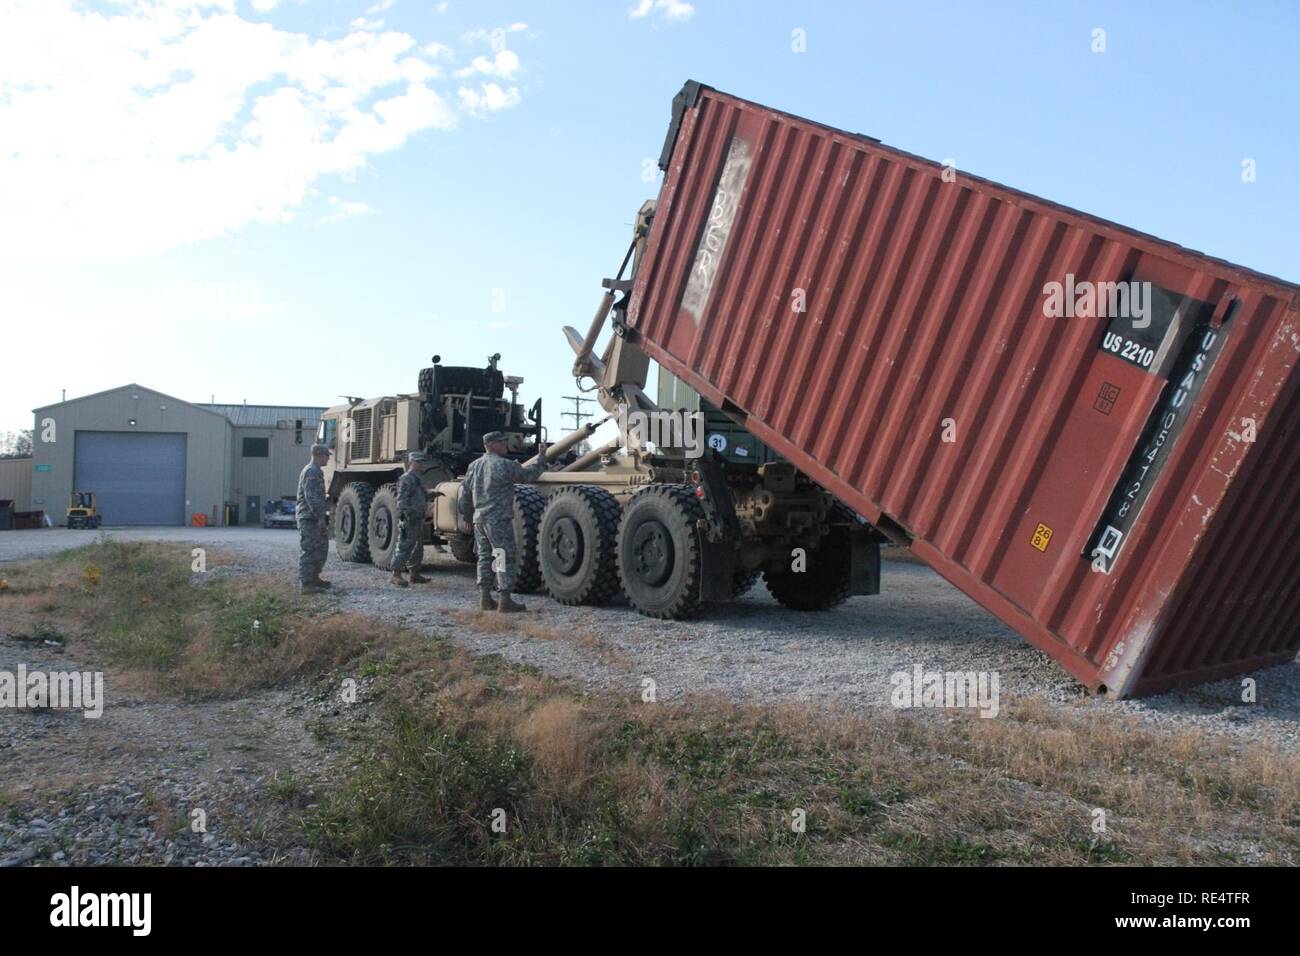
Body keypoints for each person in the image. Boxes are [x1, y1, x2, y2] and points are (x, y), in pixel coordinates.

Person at [460, 431, 548, 611]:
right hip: (498, 520)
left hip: (480, 520)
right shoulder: (504, 465)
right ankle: (505, 600)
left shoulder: (474, 466)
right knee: (502, 556)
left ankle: (485, 598)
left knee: (484, 557)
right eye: (501, 442)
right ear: (491, 445)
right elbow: (529, 476)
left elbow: (465, 494)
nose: (505, 445)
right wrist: (541, 456)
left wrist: (467, 516)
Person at [296, 443, 333, 593]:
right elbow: (311, 497)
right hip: (309, 517)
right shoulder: (311, 471)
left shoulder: (316, 471)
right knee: (309, 549)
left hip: (314, 516)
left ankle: (314, 577)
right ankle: (306, 583)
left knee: (320, 548)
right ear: (319, 455)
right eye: (327, 456)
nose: (328, 459)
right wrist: (320, 517)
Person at [391, 451, 431, 588]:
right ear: (411, 462)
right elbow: (401, 499)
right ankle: (396, 574)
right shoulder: (406, 478)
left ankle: (414, 574)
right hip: (410, 518)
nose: (421, 464)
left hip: (417, 517)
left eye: (422, 462)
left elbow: (420, 495)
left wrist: (432, 494)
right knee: (405, 546)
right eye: (418, 462)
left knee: (417, 547)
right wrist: (407, 515)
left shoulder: (417, 478)